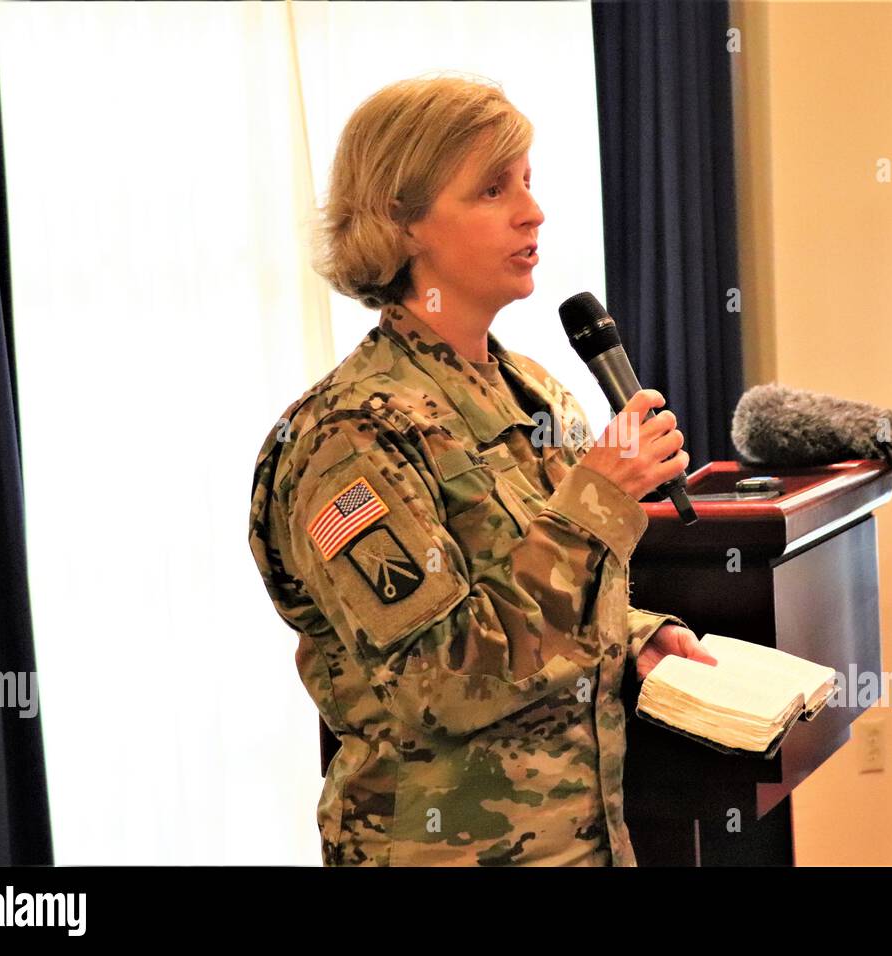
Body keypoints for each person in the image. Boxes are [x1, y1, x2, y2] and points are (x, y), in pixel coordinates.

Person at [248, 75, 717, 866]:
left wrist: (636, 636)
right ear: (404, 222)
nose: (531, 210)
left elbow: (540, 601)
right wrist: (598, 501)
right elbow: (440, 682)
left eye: (528, 182)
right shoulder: (349, 437)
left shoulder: (535, 391)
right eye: (492, 189)